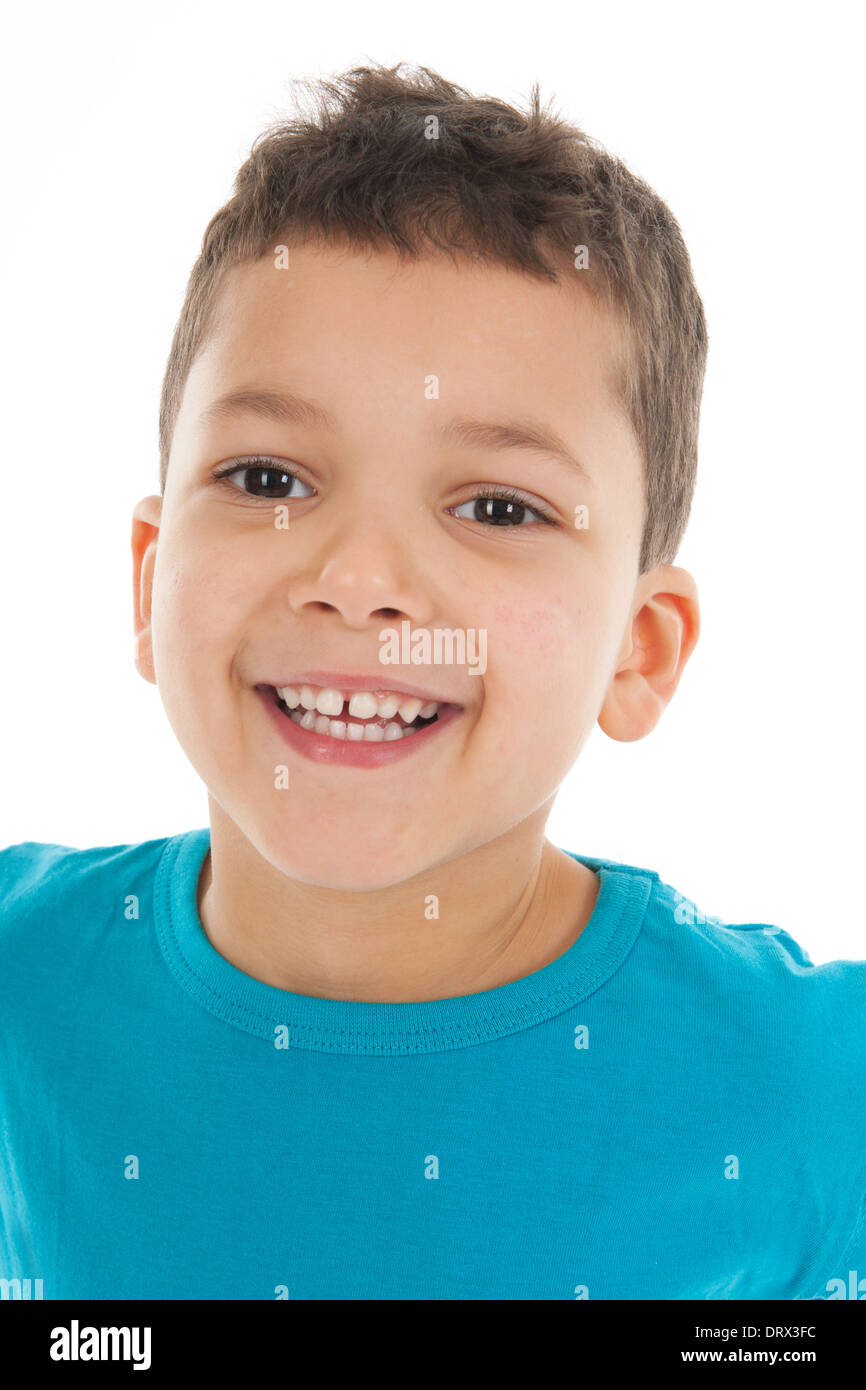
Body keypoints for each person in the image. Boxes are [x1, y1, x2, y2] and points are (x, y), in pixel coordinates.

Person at [1, 61, 863, 1301]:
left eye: (497, 505)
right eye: (267, 479)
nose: (358, 581)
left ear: (640, 648)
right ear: (147, 583)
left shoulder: (814, 1087)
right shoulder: (22, 977)